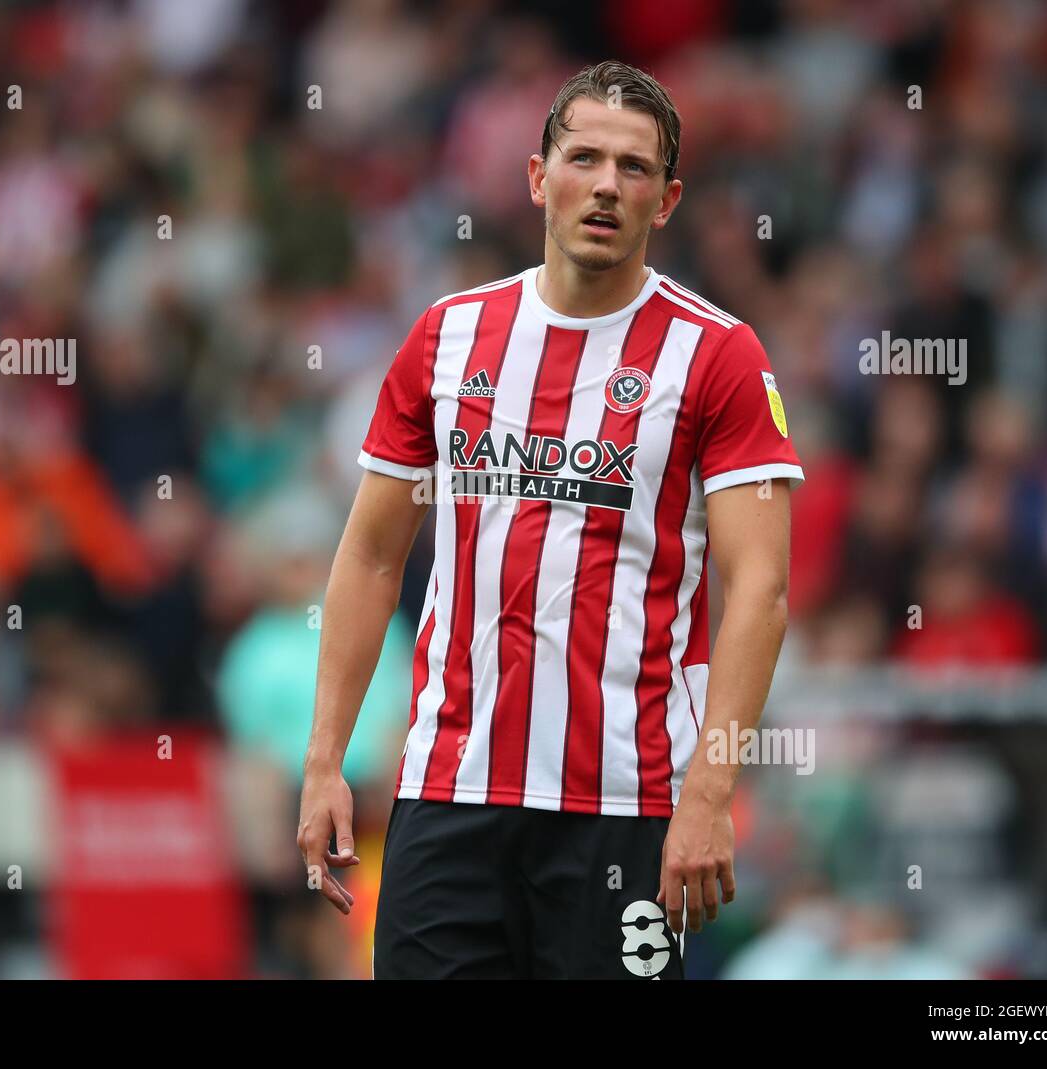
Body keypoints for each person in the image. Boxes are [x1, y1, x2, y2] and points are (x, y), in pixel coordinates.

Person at [298, 60, 804, 979]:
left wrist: (710, 790)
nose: (607, 184)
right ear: (538, 177)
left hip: (627, 802)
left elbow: (761, 592)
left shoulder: (718, 356)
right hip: (448, 794)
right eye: (583, 157)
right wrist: (325, 757)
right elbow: (372, 556)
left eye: (635, 167)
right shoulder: (446, 337)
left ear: (668, 197)